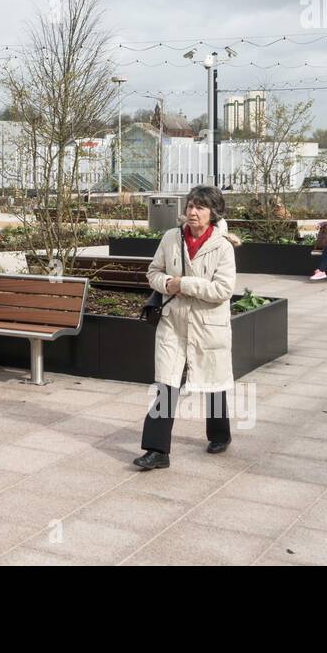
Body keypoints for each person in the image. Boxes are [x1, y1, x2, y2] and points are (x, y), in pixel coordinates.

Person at [134, 185, 239, 471]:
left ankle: (220, 434)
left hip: (208, 325)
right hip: (173, 323)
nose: (192, 212)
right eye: (190, 205)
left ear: (213, 213)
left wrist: (184, 284)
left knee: (213, 382)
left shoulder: (223, 246)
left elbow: (223, 289)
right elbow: (153, 272)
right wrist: (167, 283)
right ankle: (157, 451)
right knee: (166, 385)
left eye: (200, 207)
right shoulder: (171, 237)